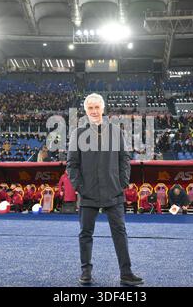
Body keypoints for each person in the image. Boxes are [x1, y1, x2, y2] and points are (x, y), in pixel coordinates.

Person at [67, 93, 143, 286]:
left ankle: (126, 273)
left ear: (103, 109)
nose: (93, 111)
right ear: (86, 111)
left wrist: (122, 183)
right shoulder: (78, 133)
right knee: (85, 233)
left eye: (96, 107)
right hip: (88, 193)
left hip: (114, 191)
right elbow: (72, 165)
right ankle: (86, 272)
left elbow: (124, 159)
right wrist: (80, 187)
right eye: (90, 108)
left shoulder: (116, 132)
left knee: (120, 233)